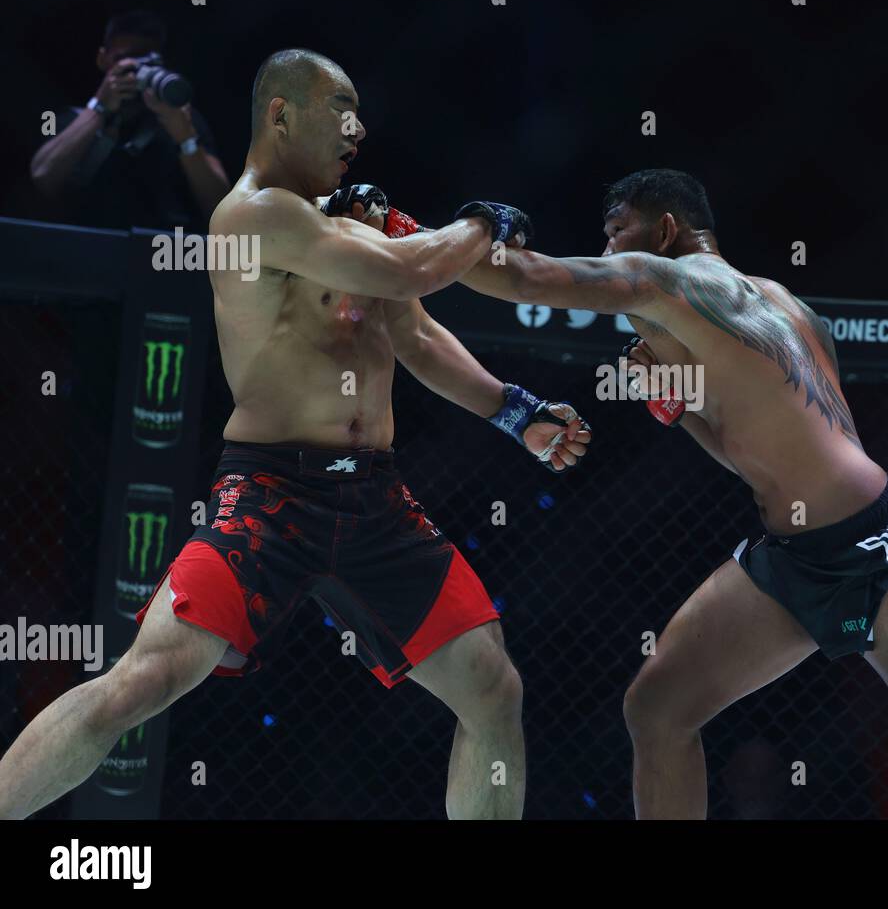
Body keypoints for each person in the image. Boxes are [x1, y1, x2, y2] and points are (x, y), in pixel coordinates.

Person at [0, 48, 590, 821]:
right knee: (141, 682)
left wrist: (517, 412)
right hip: (270, 493)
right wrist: (484, 222)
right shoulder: (253, 214)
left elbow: (415, 337)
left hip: (375, 499)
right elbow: (416, 270)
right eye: (341, 108)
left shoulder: (345, 220)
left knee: (491, 686)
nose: (360, 127)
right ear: (280, 114)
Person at [459, 168, 888, 819]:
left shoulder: (668, 280)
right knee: (658, 708)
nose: (605, 254)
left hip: (875, 546)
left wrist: (446, 237)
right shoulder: (787, 306)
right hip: (796, 553)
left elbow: (524, 277)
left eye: (616, 231)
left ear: (666, 230)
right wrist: (679, 411)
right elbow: (760, 458)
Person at [29, 9, 229, 231]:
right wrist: (98, 108)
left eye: (147, 61)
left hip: (162, 254)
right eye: (124, 60)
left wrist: (186, 137)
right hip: (89, 249)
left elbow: (220, 208)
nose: (136, 73)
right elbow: (42, 176)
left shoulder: (182, 119)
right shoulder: (74, 119)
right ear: (103, 59)